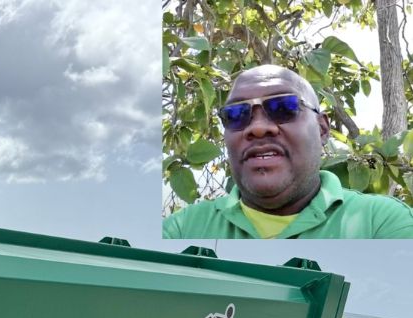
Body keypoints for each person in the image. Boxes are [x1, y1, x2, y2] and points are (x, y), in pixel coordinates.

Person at [163, 65, 413, 239]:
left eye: (284, 107)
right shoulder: (182, 228)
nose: (258, 128)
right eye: (236, 115)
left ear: (322, 129)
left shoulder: (381, 223)